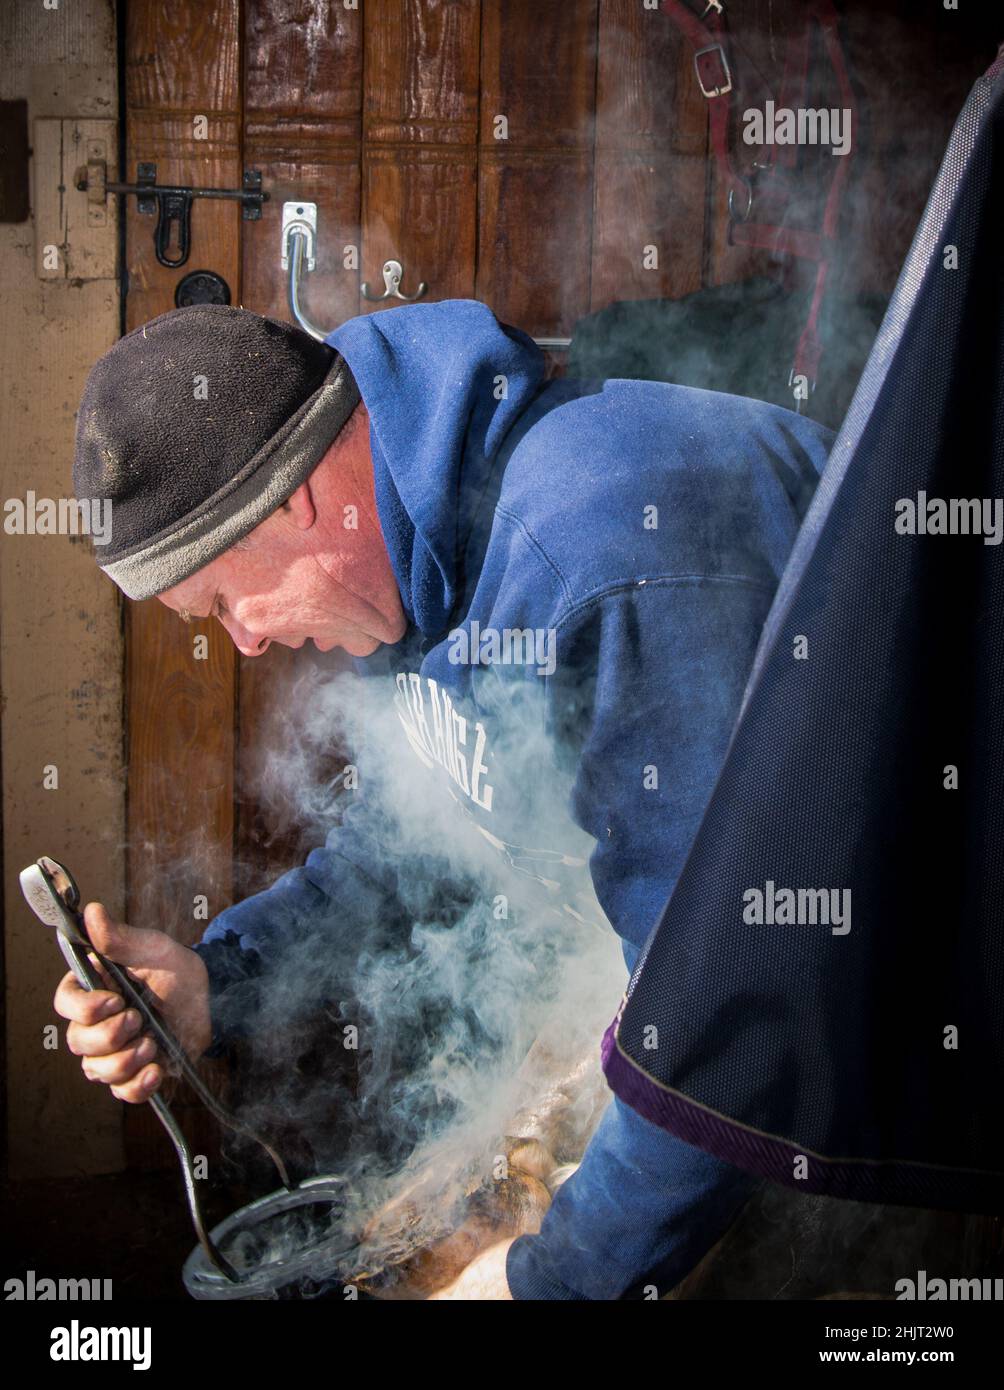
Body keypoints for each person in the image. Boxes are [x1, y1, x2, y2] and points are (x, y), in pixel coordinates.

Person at [57, 299, 832, 1299]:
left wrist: (544, 1282)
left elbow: (727, 1008)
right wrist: (217, 983)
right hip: (727, 1044)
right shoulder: (409, 573)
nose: (244, 642)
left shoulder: (607, 541)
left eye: (219, 602)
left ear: (285, 503)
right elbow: (394, 855)